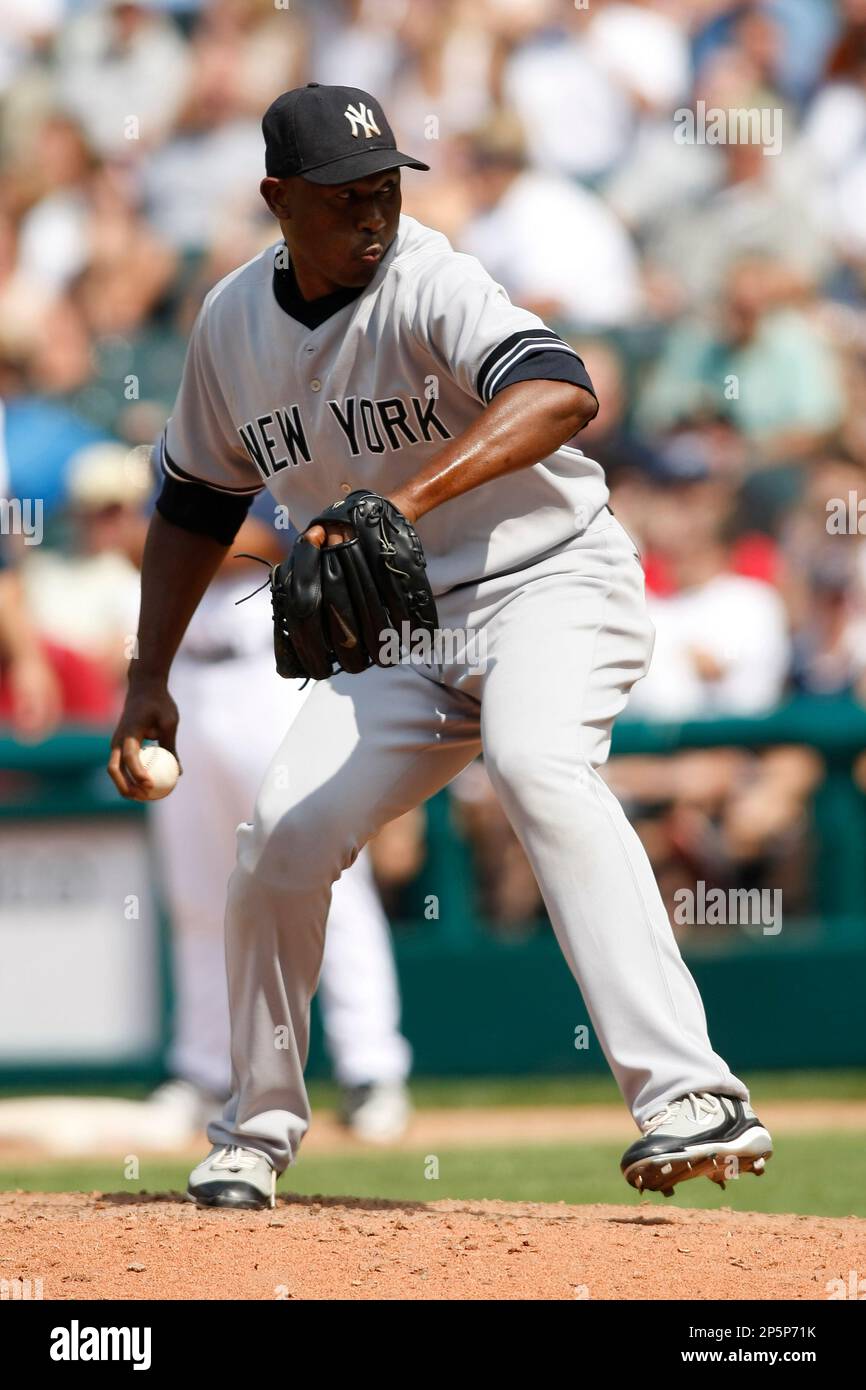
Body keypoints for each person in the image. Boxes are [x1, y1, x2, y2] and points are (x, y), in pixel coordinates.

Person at [108, 83, 773, 1210]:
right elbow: (190, 506)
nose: (372, 215)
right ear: (277, 199)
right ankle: (251, 1130)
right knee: (278, 838)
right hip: (400, 635)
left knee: (533, 761)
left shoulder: (430, 275)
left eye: (382, 190)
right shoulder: (229, 324)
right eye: (341, 199)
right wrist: (146, 676)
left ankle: (689, 1094)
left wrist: (397, 505)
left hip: (549, 581)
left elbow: (562, 391)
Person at [147, 497, 412, 1145]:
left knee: (328, 874)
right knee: (199, 893)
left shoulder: (281, 421)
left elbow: (263, 539)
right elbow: (155, 548)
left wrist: (179, 538)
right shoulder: (183, 437)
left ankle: (370, 1070)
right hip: (187, 670)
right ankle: (205, 1071)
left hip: (275, 666)